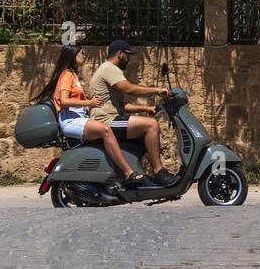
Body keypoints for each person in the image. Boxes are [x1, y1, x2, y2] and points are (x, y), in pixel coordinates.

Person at [33, 44, 155, 190]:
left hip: (79, 119)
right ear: (73, 55)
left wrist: (145, 109)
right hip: (71, 121)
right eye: (82, 53)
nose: (84, 55)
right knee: (105, 130)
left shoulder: (73, 75)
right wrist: (89, 102)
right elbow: (64, 101)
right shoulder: (66, 75)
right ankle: (128, 173)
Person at [86, 40, 176, 186]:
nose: (129, 59)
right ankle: (159, 172)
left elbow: (122, 106)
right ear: (120, 54)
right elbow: (129, 89)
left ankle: (142, 175)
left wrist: (146, 109)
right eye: (128, 56)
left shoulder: (107, 69)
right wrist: (158, 90)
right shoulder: (109, 68)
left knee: (145, 131)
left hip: (111, 117)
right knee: (151, 125)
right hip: (107, 121)